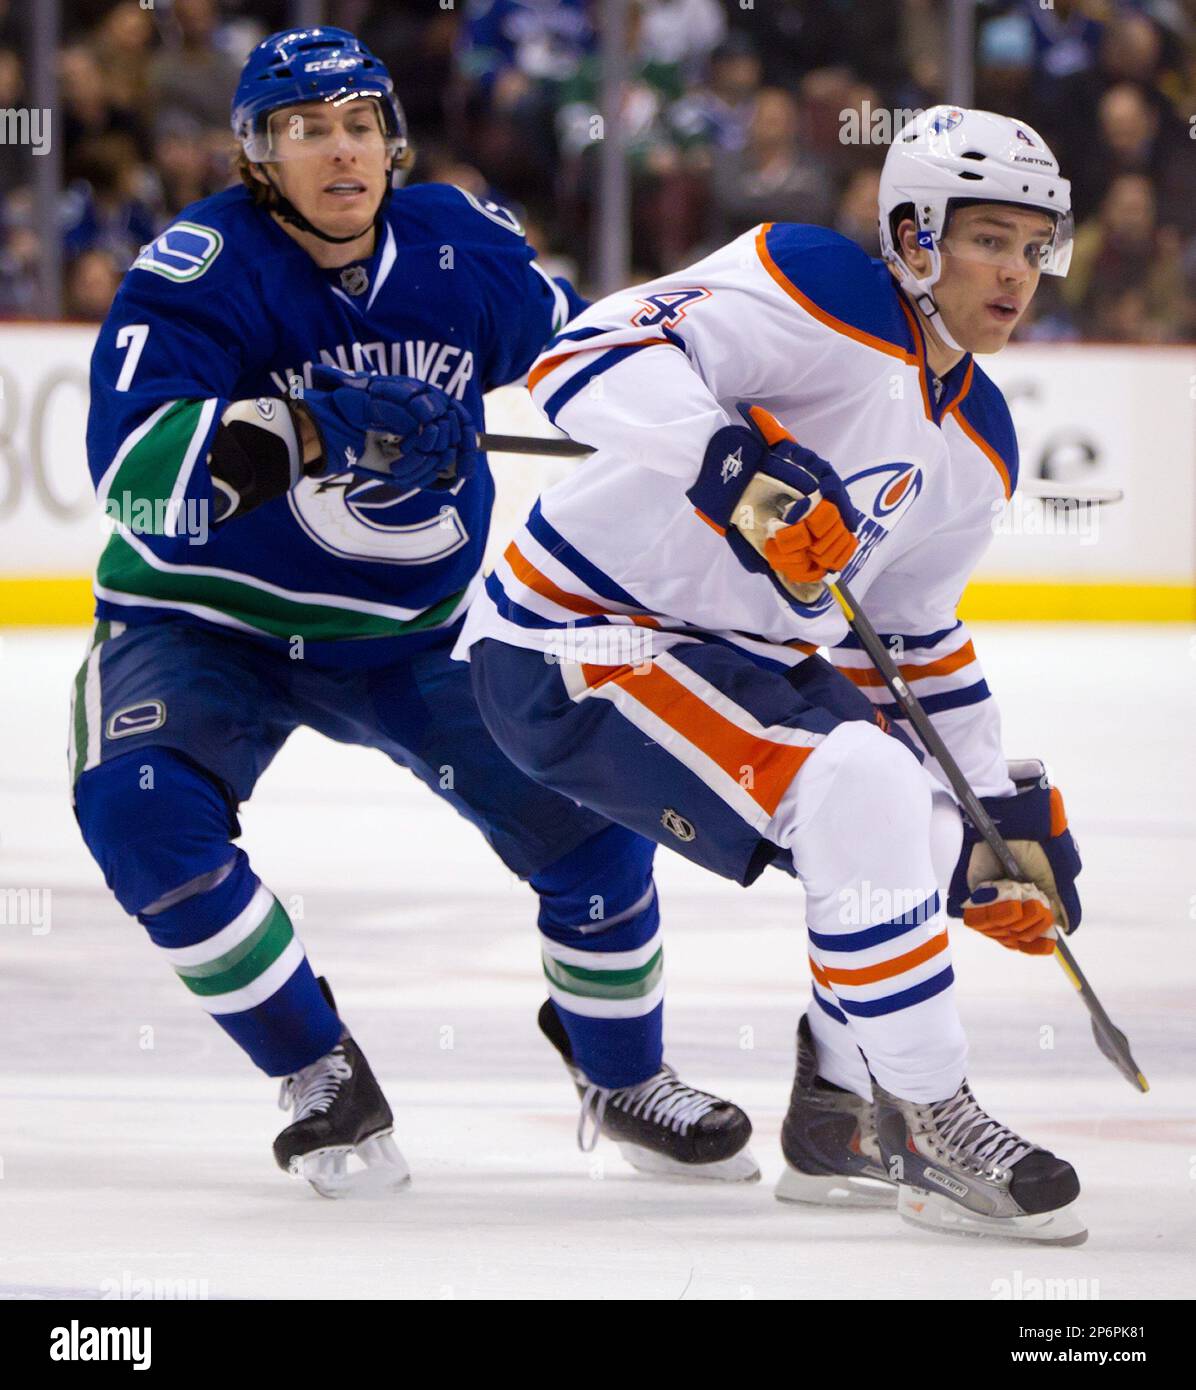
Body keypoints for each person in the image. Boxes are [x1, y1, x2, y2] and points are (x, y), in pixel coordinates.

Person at [71, 26, 755, 1197]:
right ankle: (318, 1067)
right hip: (204, 627)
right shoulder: (198, 268)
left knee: (595, 824)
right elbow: (134, 480)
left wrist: (727, 452)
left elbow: (592, 360)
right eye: (304, 131)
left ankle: (621, 1072)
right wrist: (298, 432)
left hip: (414, 635)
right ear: (257, 155)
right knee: (139, 813)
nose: (339, 153)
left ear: (390, 141)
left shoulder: (458, 243)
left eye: (358, 127)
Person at [459, 106, 1088, 1244]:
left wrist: (996, 820)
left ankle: (837, 1113)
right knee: (863, 785)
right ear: (911, 231)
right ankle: (926, 1115)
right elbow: (580, 359)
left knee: (934, 822)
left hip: (729, 660)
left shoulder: (978, 438)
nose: (1015, 271)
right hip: (578, 640)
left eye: (1033, 246)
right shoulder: (815, 287)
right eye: (989, 237)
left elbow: (905, 644)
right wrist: (733, 469)